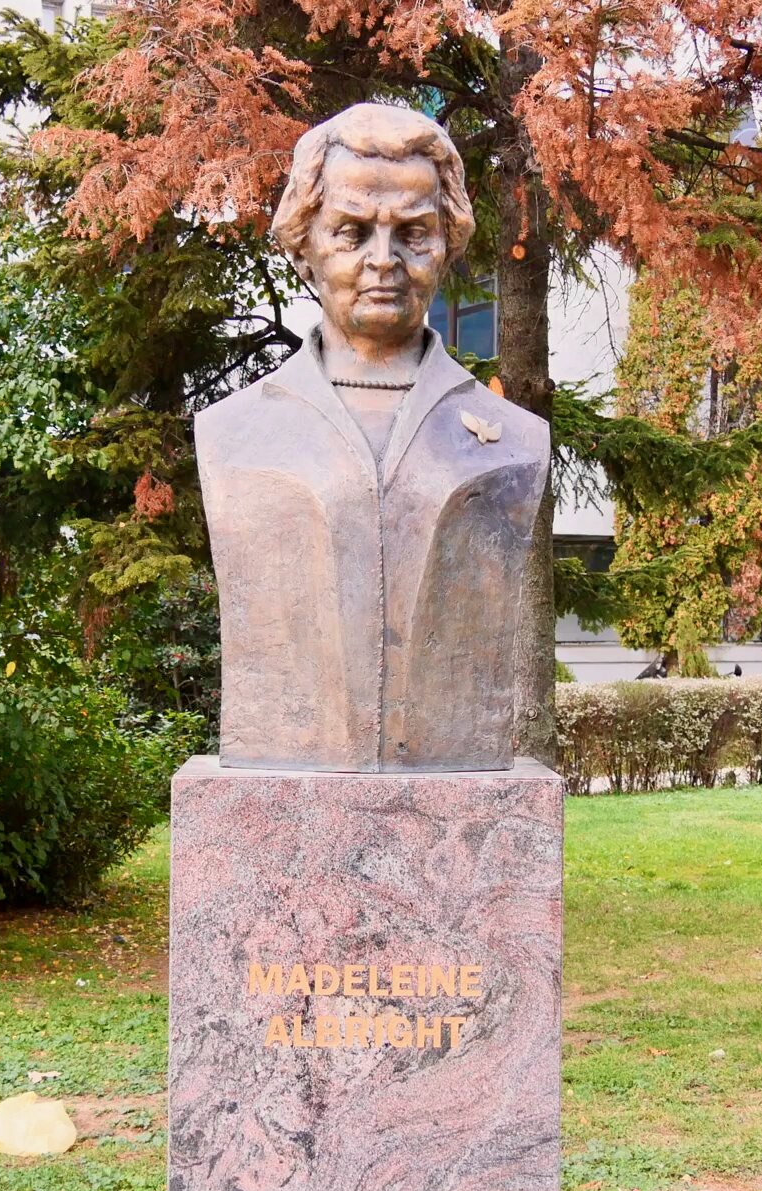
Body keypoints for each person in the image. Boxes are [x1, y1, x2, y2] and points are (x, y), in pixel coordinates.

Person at [196, 103, 549, 772]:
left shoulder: (515, 441)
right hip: (279, 756)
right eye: (352, 231)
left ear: (446, 244)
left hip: (460, 761)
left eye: (412, 233)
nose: (383, 260)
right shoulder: (234, 434)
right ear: (304, 244)